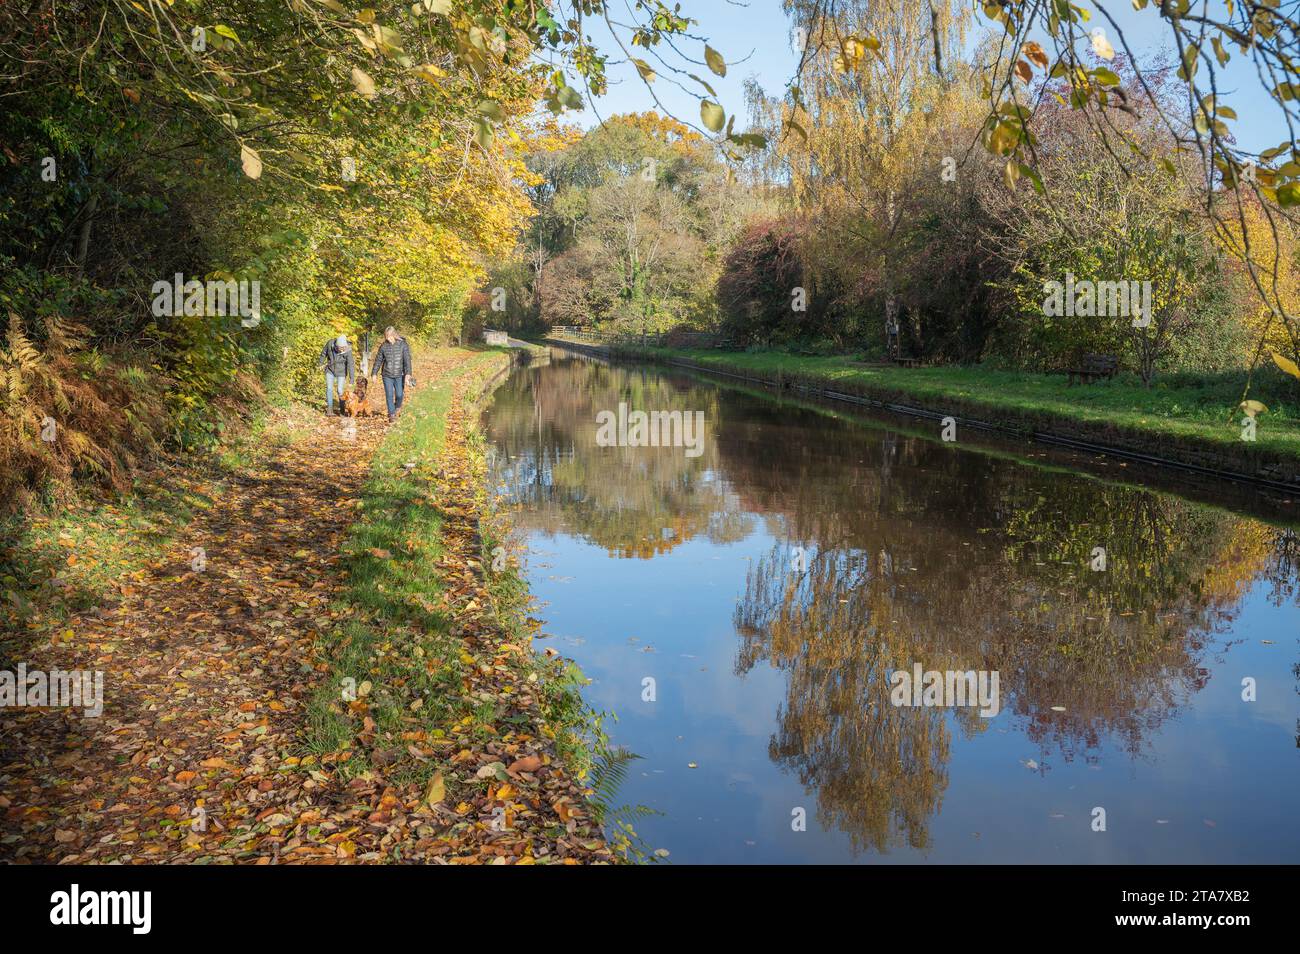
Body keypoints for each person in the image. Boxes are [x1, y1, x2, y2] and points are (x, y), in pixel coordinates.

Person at [370, 325, 412, 421]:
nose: (388, 338)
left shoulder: (403, 345)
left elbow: (407, 360)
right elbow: (378, 360)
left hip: (399, 374)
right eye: (386, 336)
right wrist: (374, 373)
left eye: (389, 336)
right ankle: (391, 414)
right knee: (389, 394)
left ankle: (397, 407)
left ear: (394, 335)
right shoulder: (383, 346)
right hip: (387, 375)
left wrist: (408, 374)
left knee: (399, 394)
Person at [318, 334, 355, 415]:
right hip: (330, 370)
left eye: (343, 348)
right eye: (340, 348)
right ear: (336, 345)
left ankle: (342, 410)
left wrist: (351, 379)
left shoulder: (348, 350)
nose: (342, 350)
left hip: (341, 372)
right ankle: (330, 409)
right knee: (329, 388)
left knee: (340, 390)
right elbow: (323, 353)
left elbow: (351, 364)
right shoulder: (330, 344)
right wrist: (320, 363)